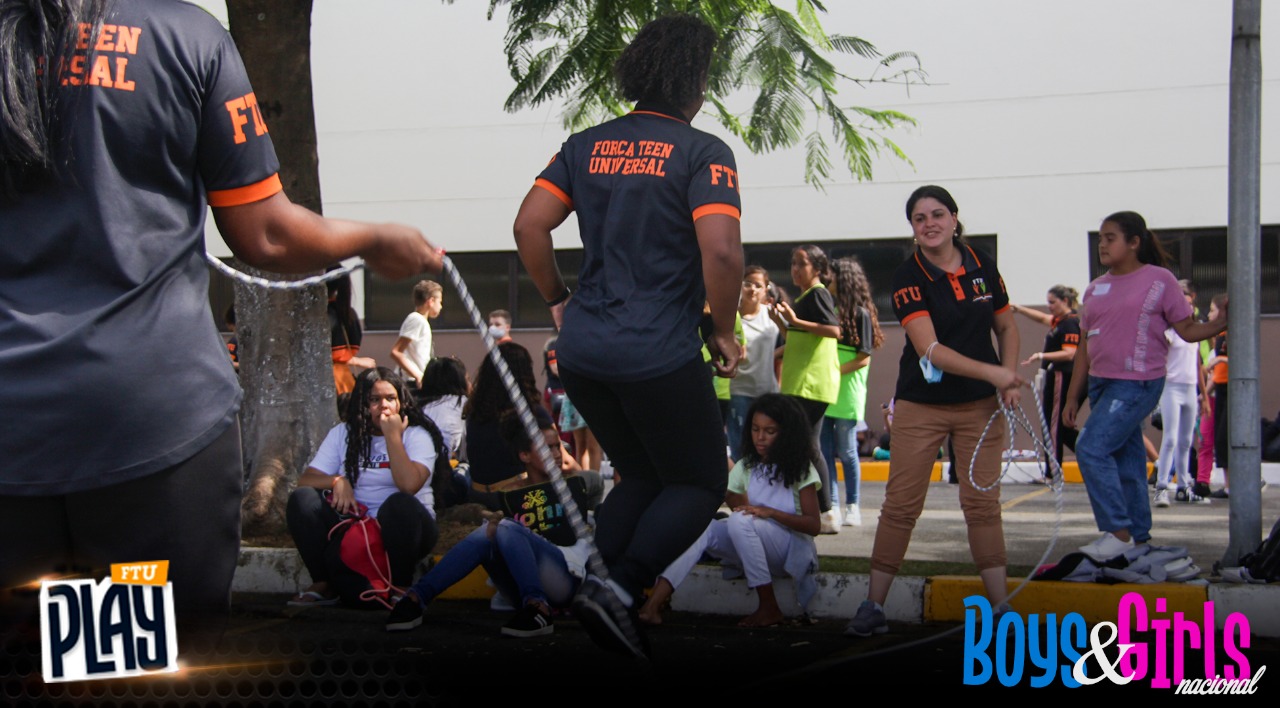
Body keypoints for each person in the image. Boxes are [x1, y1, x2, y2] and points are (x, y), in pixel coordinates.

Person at [0, 0, 441, 634]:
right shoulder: (184, 38)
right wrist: (372, 239)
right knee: (134, 664)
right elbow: (266, 233)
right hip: (149, 433)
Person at [512, 13, 743, 658]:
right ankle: (620, 588)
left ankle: (598, 588)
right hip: (659, 351)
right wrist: (722, 331)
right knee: (698, 484)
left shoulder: (585, 145)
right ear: (695, 83)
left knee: (640, 476)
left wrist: (558, 300)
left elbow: (529, 227)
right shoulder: (703, 152)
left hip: (584, 350)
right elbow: (722, 255)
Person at [846, 185, 1023, 637]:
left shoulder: (982, 261)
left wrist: (1007, 379)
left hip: (981, 407)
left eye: (937, 214)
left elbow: (1005, 324)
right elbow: (930, 349)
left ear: (955, 218)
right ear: (913, 228)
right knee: (901, 506)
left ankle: (1001, 607)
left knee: (982, 506)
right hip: (921, 406)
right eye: (919, 218)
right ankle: (873, 605)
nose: (929, 224)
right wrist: (996, 374)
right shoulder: (909, 275)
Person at [1063, 212, 1227, 562]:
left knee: (1091, 449)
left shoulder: (1159, 280)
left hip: (1137, 383)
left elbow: (1187, 330)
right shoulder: (1095, 288)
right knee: (1128, 462)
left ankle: (1117, 533)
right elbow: (1084, 349)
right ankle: (1137, 537)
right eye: (1101, 239)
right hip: (1101, 385)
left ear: (1134, 242)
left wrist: (1222, 323)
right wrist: (1072, 397)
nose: (1103, 245)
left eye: (1111, 238)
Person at [386, 409, 594, 637]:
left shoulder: (577, 485)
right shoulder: (509, 492)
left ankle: (539, 609)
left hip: (564, 575)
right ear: (524, 455)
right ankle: (416, 599)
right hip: (517, 585)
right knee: (492, 531)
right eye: (548, 447)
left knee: (503, 528)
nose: (556, 454)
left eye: (558, 446)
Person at [639, 394, 820, 628]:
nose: (760, 437)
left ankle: (769, 607)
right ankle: (652, 605)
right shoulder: (747, 465)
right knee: (703, 529)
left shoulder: (801, 468)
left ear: (787, 433)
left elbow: (814, 526)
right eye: (755, 429)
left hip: (790, 550)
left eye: (770, 431)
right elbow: (727, 497)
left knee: (739, 521)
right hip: (755, 543)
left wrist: (771, 513)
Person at [286, 368, 444, 606]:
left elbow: (408, 485)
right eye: (375, 400)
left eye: (390, 398)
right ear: (362, 403)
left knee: (399, 503)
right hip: (357, 525)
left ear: (401, 401)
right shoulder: (343, 434)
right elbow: (306, 479)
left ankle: (401, 586)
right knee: (302, 500)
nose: (384, 406)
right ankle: (323, 583)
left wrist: (392, 437)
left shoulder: (416, 435)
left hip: (407, 529)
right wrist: (337, 481)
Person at [770, 244, 842, 532]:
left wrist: (795, 320)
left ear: (817, 268)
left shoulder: (818, 294)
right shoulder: (806, 296)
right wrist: (784, 324)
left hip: (811, 383)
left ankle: (825, 512)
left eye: (801, 263)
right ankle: (817, 511)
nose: (795, 269)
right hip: (803, 382)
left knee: (806, 446)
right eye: (793, 263)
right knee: (806, 446)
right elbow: (802, 337)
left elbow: (833, 331)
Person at [819, 257, 883, 527]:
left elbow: (863, 357)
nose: (825, 279)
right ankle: (831, 504)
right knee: (825, 451)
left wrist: (833, 371)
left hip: (846, 391)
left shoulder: (860, 314)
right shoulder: (826, 309)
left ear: (842, 278)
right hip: (824, 390)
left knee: (847, 451)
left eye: (830, 275)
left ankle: (853, 506)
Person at [464, 342, 547, 509]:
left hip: (477, 494)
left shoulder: (474, 413)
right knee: (592, 480)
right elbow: (558, 462)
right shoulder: (531, 413)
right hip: (516, 498)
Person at [1012, 285, 1083, 479]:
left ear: (1065, 302)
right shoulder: (1060, 322)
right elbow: (1043, 318)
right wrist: (1019, 309)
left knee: (1053, 425)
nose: (1049, 307)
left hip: (1062, 375)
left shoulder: (1069, 324)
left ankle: (1053, 471)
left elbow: (1070, 353)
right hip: (1056, 375)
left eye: (1052, 302)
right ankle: (1089, 452)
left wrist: (1041, 355)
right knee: (1061, 427)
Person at [1152, 280, 1209, 506]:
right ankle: (1162, 487)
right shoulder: (1168, 330)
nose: (1182, 299)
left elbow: (1198, 364)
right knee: (1171, 439)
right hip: (1171, 387)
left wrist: (1203, 394)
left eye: (1185, 295)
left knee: (1186, 440)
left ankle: (1184, 487)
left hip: (1189, 388)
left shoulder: (1194, 328)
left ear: (1192, 298)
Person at [729, 266, 783, 461]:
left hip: (767, 390)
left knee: (769, 446)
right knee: (740, 447)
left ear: (765, 289)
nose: (752, 289)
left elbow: (794, 340)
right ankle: (741, 491)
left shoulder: (772, 315)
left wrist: (772, 355)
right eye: (748, 284)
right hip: (738, 390)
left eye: (758, 285)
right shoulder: (730, 316)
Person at [328, 273, 376, 394]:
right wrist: (356, 361)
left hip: (322, 380)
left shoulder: (315, 314)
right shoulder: (347, 313)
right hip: (343, 380)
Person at [390, 279, 443, 387]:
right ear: (431, 301)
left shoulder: (421, 321)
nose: (441, 306)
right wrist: (418, 376)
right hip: (411, 382)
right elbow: (396, 352)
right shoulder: (416, 319)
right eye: (440, 302)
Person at [1203, 294, 1231, 498]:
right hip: (1220, 389)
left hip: (1232, 390)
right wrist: (1206, 392)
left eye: (1213, 309)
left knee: (1226, 437)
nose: (1209, 314)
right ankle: (1229, 485)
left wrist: (1220, 359)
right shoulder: (1219, 333)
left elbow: (1241, 360)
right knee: (1219, 440)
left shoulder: (1232, 332)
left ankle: (1234, 485)